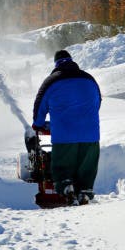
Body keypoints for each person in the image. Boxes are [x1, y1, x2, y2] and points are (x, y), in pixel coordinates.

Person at [32, 50, 102, 205]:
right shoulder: (89, 78)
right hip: (91, 136)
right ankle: (85, 192)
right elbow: (98, 102)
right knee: (87, 168)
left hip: (65, 135)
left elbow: (39, 106)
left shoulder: (51, 81)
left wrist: (37, 124)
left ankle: (66, 189)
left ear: (56, 64)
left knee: (63, 166)